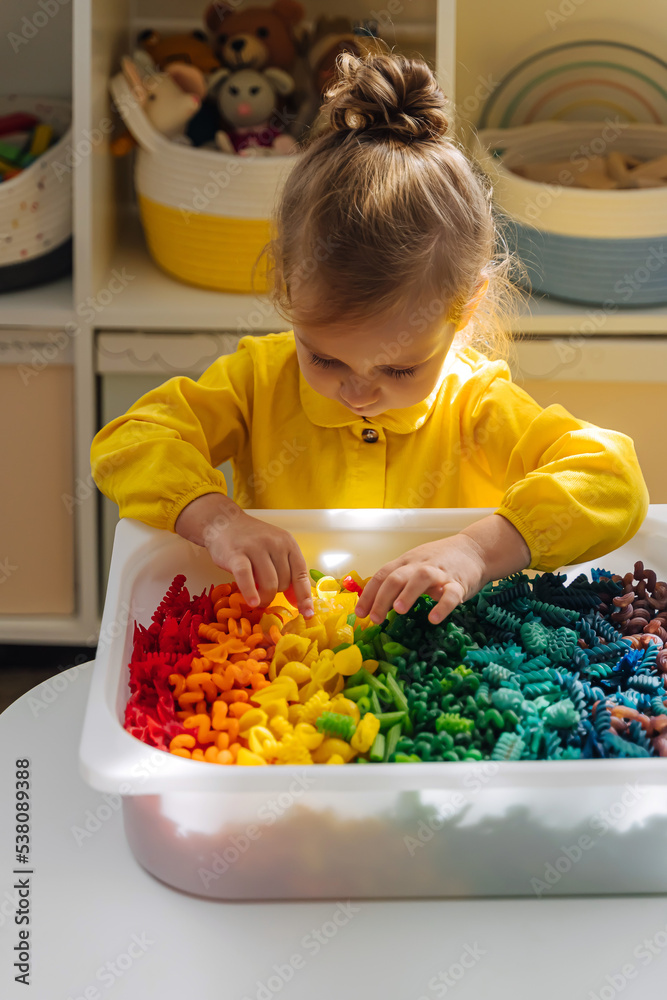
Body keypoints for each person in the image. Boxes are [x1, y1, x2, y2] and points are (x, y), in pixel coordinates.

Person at [90, 51, 648, 629]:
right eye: (325, 357)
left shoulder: (475, 404)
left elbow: (614, 480)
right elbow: (131, 441)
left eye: (400, 370)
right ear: (284, 286)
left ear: (467, 309)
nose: (359, 392)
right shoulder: (257, 380)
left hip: (443, 647)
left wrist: (479, 551)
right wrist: (216, 520)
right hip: (286, 642)